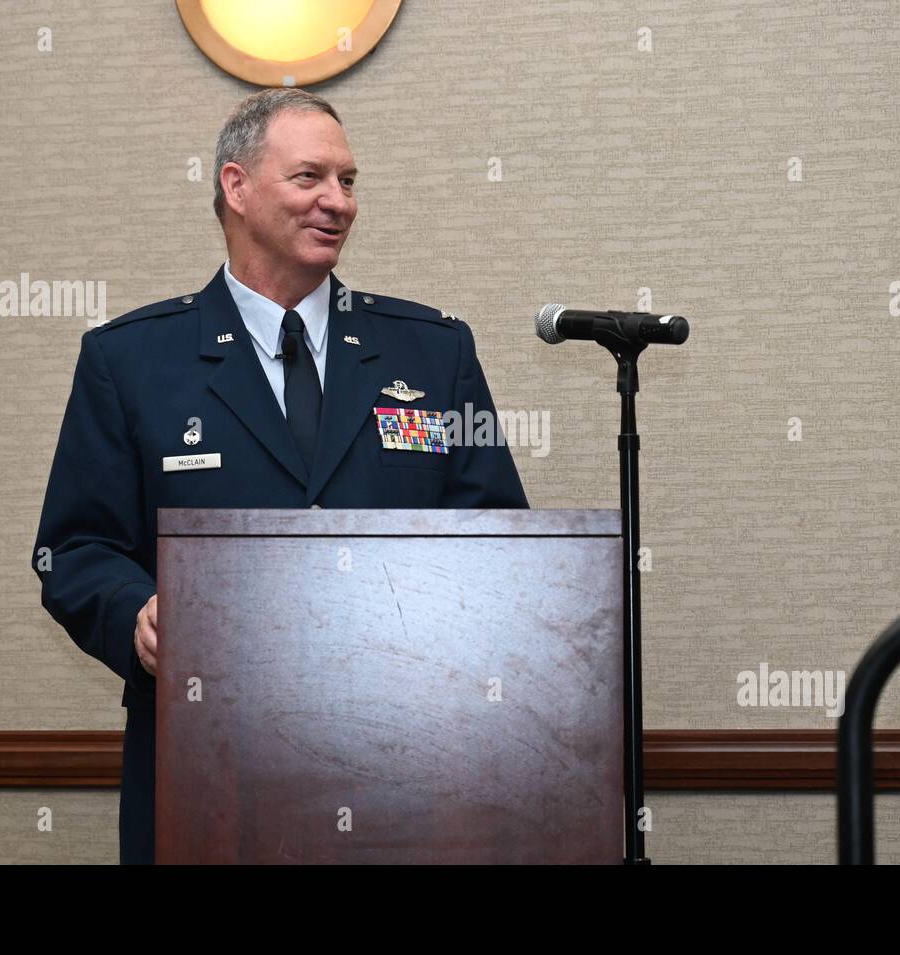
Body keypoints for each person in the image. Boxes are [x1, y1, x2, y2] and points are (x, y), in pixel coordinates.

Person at [31, 88, 528, 864]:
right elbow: (76, 549)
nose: (339, 202)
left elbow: (501, 543)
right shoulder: (129, 362)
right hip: (207, 774)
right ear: (236, 186)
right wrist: (138, 616)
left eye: (350, 181)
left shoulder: (434, 354)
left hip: (412, 770)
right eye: (310, 178)